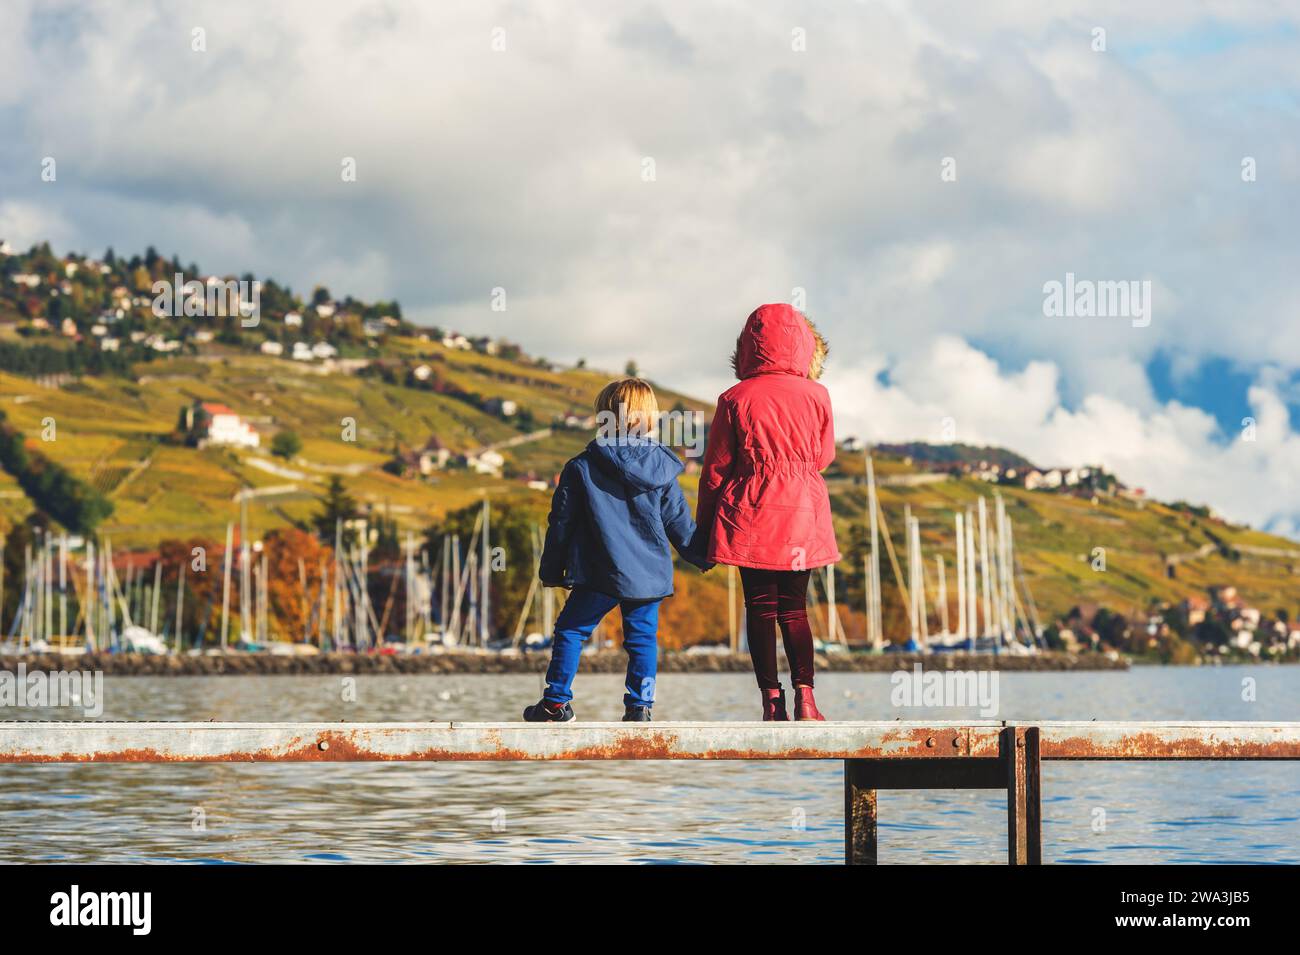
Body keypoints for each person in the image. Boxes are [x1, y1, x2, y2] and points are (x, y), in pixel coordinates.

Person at [524, 377, 709, 723]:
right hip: (647, 575)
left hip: (598, 571)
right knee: (641, 640)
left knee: (571, 631)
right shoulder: (663, 469)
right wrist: (706, 557)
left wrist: (551, 571)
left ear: (604, 415)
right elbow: (680, 526)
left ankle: (555, 702)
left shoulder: (579, 468)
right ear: (650, 418)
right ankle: (639, 707)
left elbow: (560, 524)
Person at [695, 303, 840, 720]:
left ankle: (771, 702)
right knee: (794, 609)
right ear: (803, 345)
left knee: (760, 608)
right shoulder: (818, 395)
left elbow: (716, 471)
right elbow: (823, 455)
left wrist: (705, 533)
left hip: (750, 513)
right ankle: (807, 699)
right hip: (801, 512)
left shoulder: (734, 397)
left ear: (748, 346)